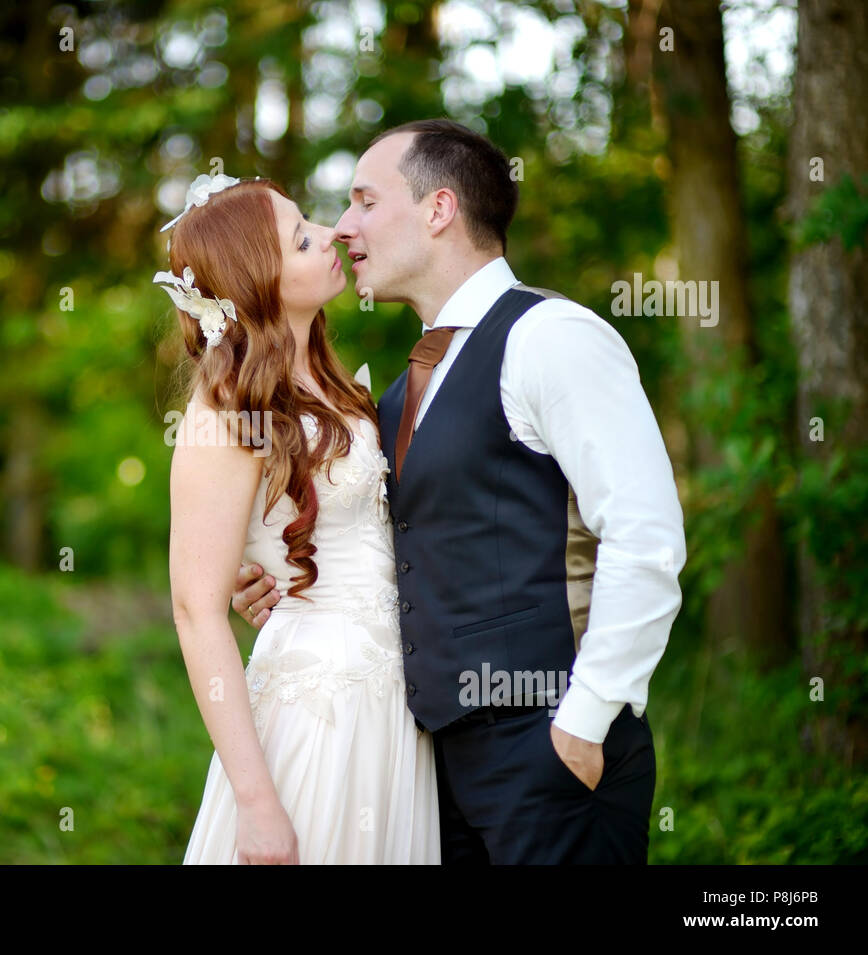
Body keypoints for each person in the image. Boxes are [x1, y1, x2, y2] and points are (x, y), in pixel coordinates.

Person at [233, 120, 686, 863]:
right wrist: (285, 582)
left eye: (364, 202)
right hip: (428, 772)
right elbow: (397, 554)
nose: (344, 227)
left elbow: (647, 536)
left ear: (438, 209)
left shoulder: (552, 337)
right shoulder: (397, 391)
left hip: (551, 756)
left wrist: (586, 718)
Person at [164, 173, 439, 864]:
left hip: (395, 708)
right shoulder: (224, 407)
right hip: (318, 713)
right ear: (261, 275)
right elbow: (195, 608)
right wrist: (257, 804)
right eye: (302, 237)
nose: (332, 236)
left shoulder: (335, 384)